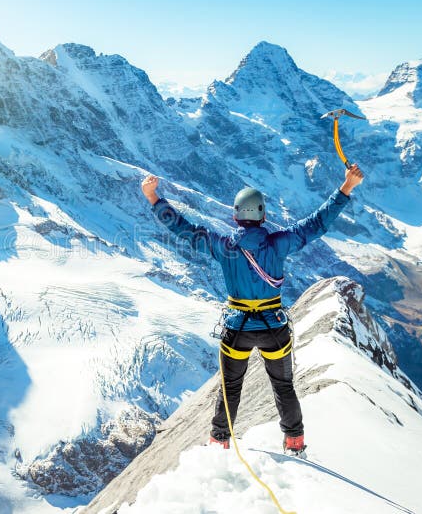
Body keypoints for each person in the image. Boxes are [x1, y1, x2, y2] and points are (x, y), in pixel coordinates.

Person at [141, 164, 364, 455]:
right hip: (274, 328)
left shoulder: (223, 246)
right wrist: (345, 188)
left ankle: (220, 442)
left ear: (235, 216)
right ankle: (294, 441)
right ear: (263, 215)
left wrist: (153, 198)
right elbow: (317, 223)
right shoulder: (280, 243)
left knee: (230, 388)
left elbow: (184, 230)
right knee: (283, 385)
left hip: (237, 330)